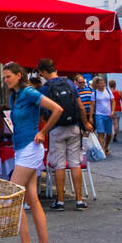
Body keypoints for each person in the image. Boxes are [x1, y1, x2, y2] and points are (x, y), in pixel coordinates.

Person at [3, 62, 64, 243]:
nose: (6, 80)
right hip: (20, 148)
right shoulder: (14, 96)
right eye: (4, 77)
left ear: (18, 75)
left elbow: (57, 109)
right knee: (31, 198)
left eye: (8, 76)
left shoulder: (29, 92)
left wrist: (43, 132)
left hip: (31, 147)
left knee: (14, 195)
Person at [38, 58, 90, 211]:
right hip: (73, 127)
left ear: (43, 72)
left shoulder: (45, 88)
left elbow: (41, 110)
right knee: (75, 164)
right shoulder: (70, 84)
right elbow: (80, 106)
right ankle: (79, 200)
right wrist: (86, 123)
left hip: (56, 128)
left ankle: (60, 201)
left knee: (59, 165)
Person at [91, 76, 114, 153]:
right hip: (99, 115)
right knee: (101, 133)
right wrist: (91, 116)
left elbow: (113, 101)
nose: (102, 84)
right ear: (97, 85)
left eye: (103, 83)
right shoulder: (94, 93)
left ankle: (106, 146)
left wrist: (113, 111)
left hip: (108, 115)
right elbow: (92, 105)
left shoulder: (108, 91)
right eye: (100, 83)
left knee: (109, 134)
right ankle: (102, 150)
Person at [109, 79, 122, 144]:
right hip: (118, 109)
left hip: (110, 109)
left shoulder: (108, 92)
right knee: (117, 123)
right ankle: (115, 135)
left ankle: (112, 133)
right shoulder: (119, 92)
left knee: (112, 123)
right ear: (115, 85)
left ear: (109, 85)